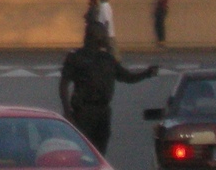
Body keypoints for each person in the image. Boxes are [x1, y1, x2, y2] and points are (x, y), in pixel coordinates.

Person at [58, 21, 158, 154]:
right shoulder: (76, 58)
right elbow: (64, 84)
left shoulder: (107, 59)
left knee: (100, 153)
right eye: (103, 35)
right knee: (83, 153)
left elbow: (126, 77)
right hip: (83, 112)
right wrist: (68, 112)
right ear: (95, 37)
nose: (105, 38)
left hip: (103, 112)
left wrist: (146, 74)